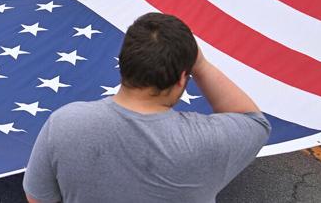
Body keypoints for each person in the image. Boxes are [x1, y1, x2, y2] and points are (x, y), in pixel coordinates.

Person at [23, 13, 270, 203]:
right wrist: (201, 65)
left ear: (124, 64)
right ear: (182, 79)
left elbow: (37, 197)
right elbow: (252, 119)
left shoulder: (65, 124)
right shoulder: (206, 141)